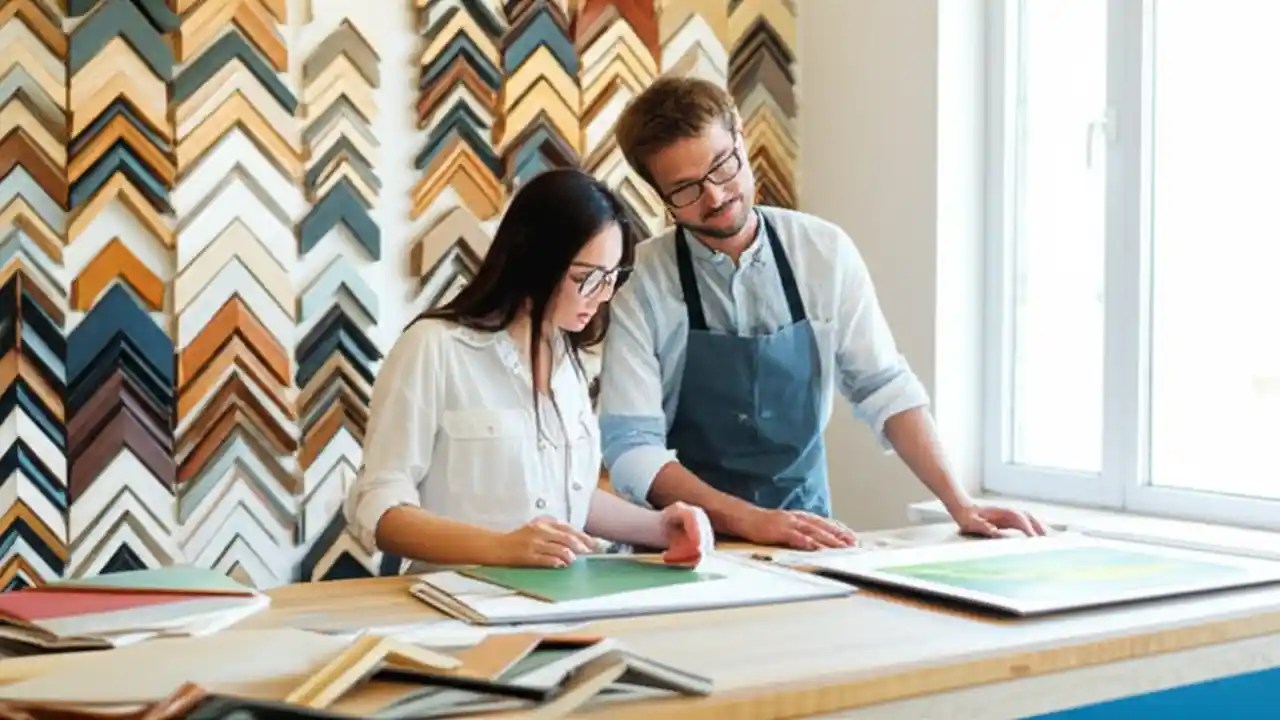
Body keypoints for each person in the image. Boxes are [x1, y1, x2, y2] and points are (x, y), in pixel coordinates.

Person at [598, 76, 1045, 551]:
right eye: (686, 189)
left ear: (742, 140)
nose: (715, 197)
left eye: (722, 167)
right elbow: (632, 451)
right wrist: (750, 520)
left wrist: (961, 503)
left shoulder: (823, 252)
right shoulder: (637, 281)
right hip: (680, 546)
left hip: (806, 538)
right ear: (660, 197)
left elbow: (884, 388)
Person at [344, 168, 713, 570]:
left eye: (612, 278)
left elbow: (570, 496)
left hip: (561, 600)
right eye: (586, 278)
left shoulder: (570, 360)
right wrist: (502, 547)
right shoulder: (435, 348)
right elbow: (378, 506)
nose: (603, 296)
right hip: (455, 607)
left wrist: (659, 526)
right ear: (534, 258)